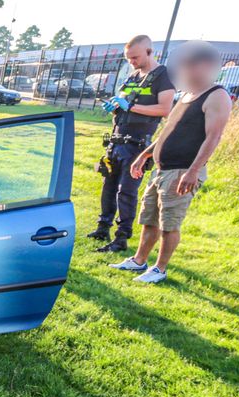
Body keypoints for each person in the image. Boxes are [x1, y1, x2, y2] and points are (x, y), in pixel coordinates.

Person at [109, 41, 231, 283]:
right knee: (149, 218)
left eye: (189, 66)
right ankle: (139, 260)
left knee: (169, 222)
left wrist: (193, 171)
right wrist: (145, 155)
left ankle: (159, 269)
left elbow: (213, 137)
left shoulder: (216, 96)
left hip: (182, 171)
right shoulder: (186, 95)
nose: (183, 72)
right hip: (161, 169)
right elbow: (168, 131)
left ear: (206, 67)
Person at [88, 35, 176, 253]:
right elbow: (122, 104)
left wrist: (130, 107)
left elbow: (166, 110)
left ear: (149, 51)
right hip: (117, 141)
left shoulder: (163, 76)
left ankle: (121, 238)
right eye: (129, 59)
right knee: (109, 187)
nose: (132, 62)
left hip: (137, 145)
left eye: (135, 57)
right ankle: (103, 228)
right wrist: (115, 108)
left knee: (126, 191)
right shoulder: (133, 77)